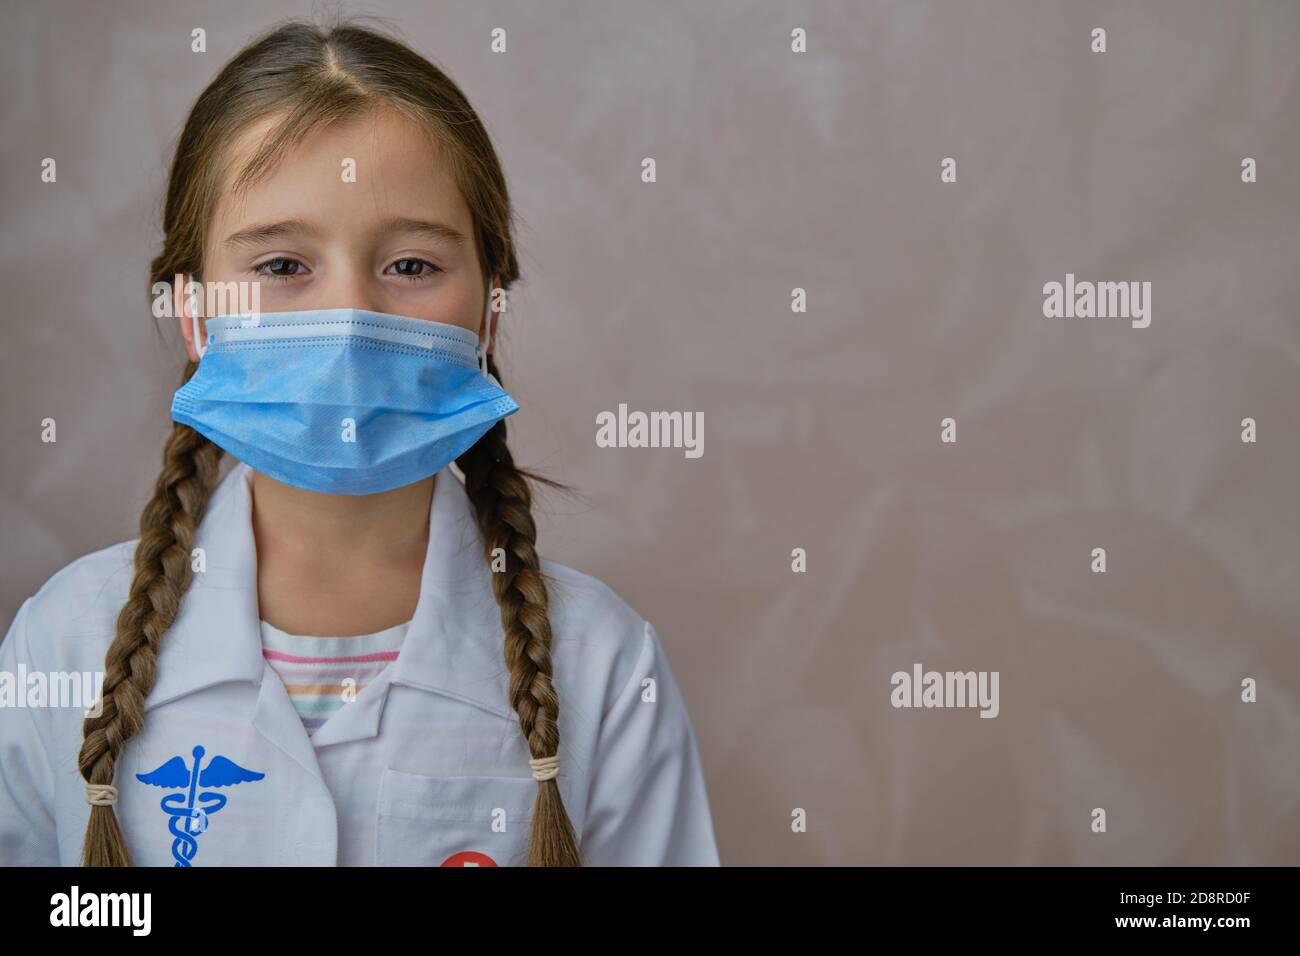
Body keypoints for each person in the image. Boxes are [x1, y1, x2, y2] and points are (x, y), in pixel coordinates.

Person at [0, 19, 718, 867]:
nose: (351, 320)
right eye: (280, 266)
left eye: (411, 265)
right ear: (191, 312)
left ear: (490, 309)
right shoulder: (61, 646)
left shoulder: (604, 666)